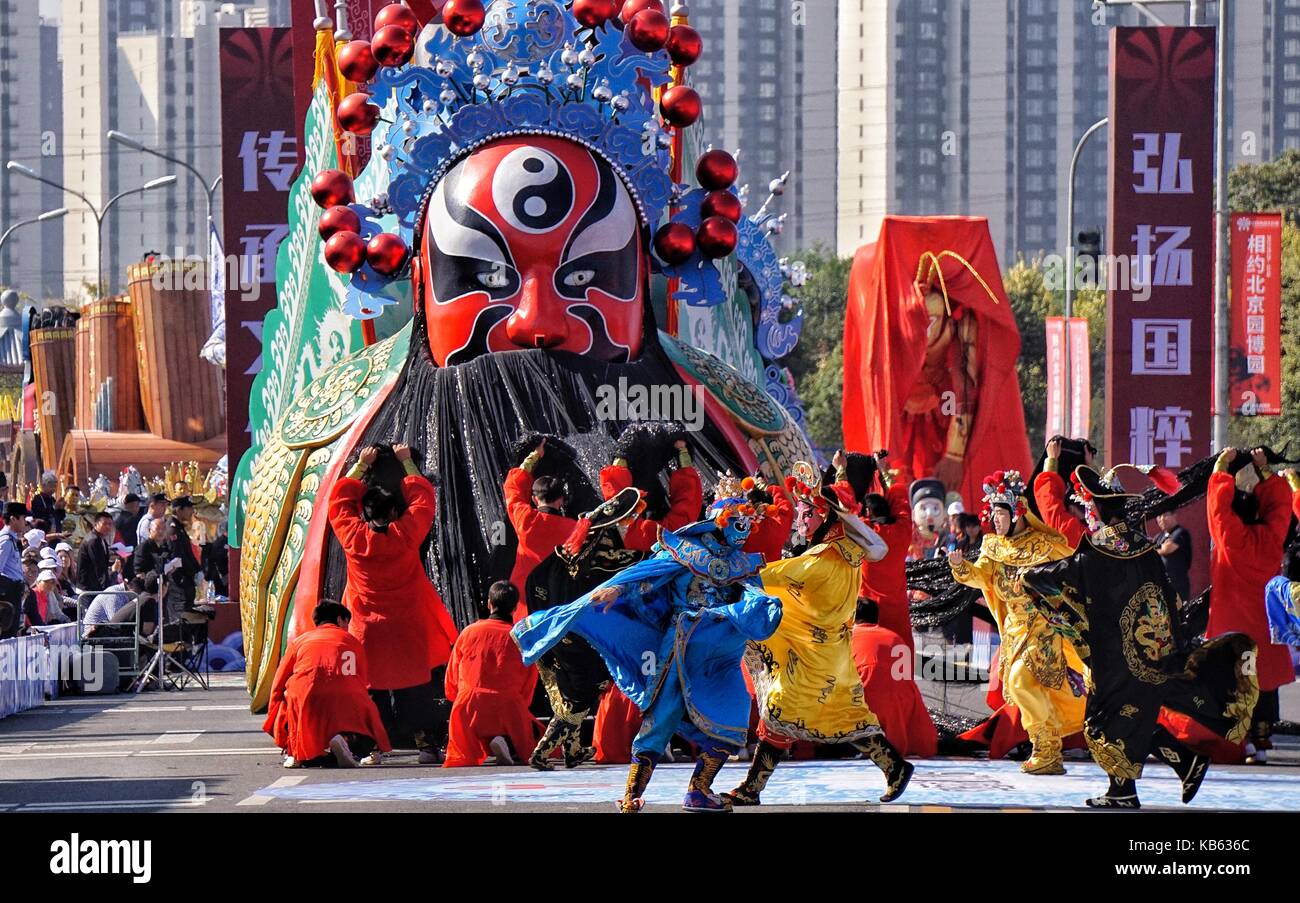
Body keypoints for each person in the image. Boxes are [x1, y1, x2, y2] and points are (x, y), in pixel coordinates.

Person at [515, 495, 784, 813]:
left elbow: (754, 594)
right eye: (741, 523)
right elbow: (645, 573)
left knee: (735, 716)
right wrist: (616, 589)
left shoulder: (744, 563)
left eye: (750, 524)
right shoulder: (686, 550)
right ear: (719, 521)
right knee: (662, 717)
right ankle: (631, 794)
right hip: (679, 647)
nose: (746, 531)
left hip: (717, 652)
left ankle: (698, 790)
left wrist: (764, 605)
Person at [1021, 464, 1260, 808]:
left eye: (1088, 506)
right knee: (1134, 715)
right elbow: (1167, 595)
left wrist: (1030, 576)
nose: (1087, 513)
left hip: (1117, 656)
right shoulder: (1143, 546)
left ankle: (1125, 791)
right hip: (1150, 654)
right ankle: (1183, 762)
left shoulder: (1099, 549)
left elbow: (1066, 574)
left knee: (1103, 722)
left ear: (1098, 508)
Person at [730, 468, 914, 807]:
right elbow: (873, 547)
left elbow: (767, 575)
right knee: (848, 717)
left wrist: (727, 569)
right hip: (834, 657)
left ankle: (752, 788)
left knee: (780, 708)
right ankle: (895, 768)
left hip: (812, 661)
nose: (799, 520)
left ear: (821, 514)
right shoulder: (847, 553)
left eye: (804, 513)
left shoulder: (818, 560)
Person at [327, 442, 458, 765]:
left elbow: (338, 503)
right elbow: (424, 501)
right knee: (416, 687)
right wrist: (407, 463)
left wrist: (360, 465)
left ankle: (372, 748)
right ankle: (427, 747)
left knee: (371, 690)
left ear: (365, 514)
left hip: (366, 626)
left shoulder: (354, 538)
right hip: (407, 625)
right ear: (395, 512)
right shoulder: (406, 535)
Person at [948, 470, 1085, 775]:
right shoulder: (993, 546)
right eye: (993, 513)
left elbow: (1077, 567)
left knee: (1020, 683)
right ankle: (1047, 749)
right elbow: (981, 575)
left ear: (1017, 512)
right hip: (1013, 630)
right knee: (1020, 686)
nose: (995, 520)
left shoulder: (1044, 545)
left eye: (1000, 513)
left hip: (1043, 628)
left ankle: (1047, 748)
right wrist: (961, 568)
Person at [1206, 448, 1295, 764]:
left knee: (1234, 681)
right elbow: (1282, 508)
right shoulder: (1272, 539)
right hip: (1264, 624)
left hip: (1232, 625)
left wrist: (1221, 472)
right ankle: (1260, 736)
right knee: (1264, 679)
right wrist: (1264, 471)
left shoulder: (1231, 538)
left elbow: (1218, 510)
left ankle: (1239, 740)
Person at [263, 600, 392, 769]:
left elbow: (279, 681)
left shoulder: (300, 641)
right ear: (340, 620)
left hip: (306, 695)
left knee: (290, 700)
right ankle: (352, 744)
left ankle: (294, 753)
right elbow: (361, 678)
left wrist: (275, 710)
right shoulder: (352, 641)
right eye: (347, 623)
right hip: (348, 696)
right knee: (363, 709)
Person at [443, 582, 542, 767]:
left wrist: (457, 697)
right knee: (536, 739)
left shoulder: (468, 632)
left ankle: (494, 741)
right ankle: (506, 743)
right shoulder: (521, 638)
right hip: (507, 704)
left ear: (489, 603)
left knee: (469, 734)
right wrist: (520, 706)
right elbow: (529, 682)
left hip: (468, 703)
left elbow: (452, 677)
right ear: (515, 608)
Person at [503, 437, 579, 621]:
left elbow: (513, 491)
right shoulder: (576, 529)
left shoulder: (526, 520)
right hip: (561, 605)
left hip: (523, 603)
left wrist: (532, 458)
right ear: (561, 500)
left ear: (535, 499)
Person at [852, 598, 938, 757]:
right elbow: (907, 682)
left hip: (865, 700)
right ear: (876, 618)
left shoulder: (846, 638)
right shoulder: (895, 638)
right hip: (900, 702)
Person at [1153, 510, 1193, 603]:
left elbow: (1167, 549)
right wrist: (1160, 549)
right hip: (1162, 586)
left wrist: (1159, 550)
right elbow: (1150, 552)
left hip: (1178, 584)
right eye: (1159, 516)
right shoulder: (1159, 537)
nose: (1162, 519)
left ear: (1174, 515)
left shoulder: (1180, 533)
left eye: (1165, 515)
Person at [0, 502, 28, 628]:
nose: (25, 522)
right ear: (13, 519)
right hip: (8, 594)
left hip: (14, 592)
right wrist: (11, 586)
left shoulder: (12, 539)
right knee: (8, 634)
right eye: (22, 518)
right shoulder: (5, 540)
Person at [76, 512, 116, 592]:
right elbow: (99, 566)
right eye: (104, 524)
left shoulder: (101, 539)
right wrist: (107, 590)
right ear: (96, 524)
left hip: (95, 586)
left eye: (110, 524)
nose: (108, 527)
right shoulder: (93, 540)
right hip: (88, 588)